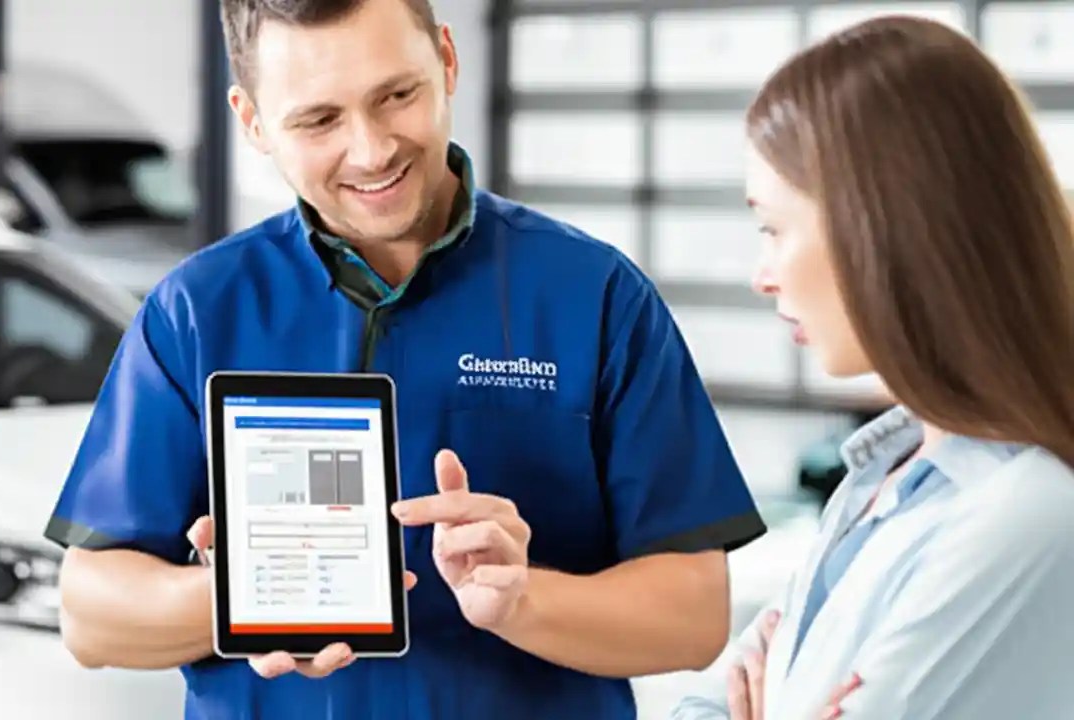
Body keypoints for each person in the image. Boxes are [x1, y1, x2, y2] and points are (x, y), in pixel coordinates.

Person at [43, 0, 767, 718]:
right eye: (319, 120)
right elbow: (91, 615)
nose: (371, 151)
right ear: (253, 120)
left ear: (446, 61)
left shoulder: (594, 295)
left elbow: (694, 615)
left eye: (396, 95)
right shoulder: (197, 311)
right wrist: (254, 594)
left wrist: (523, 601)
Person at [669, 15, 1074, 720]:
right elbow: (703, 702)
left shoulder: (1026, 511)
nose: (762, 275)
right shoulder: (882, 475)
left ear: (882, 230)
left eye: (773, 228)